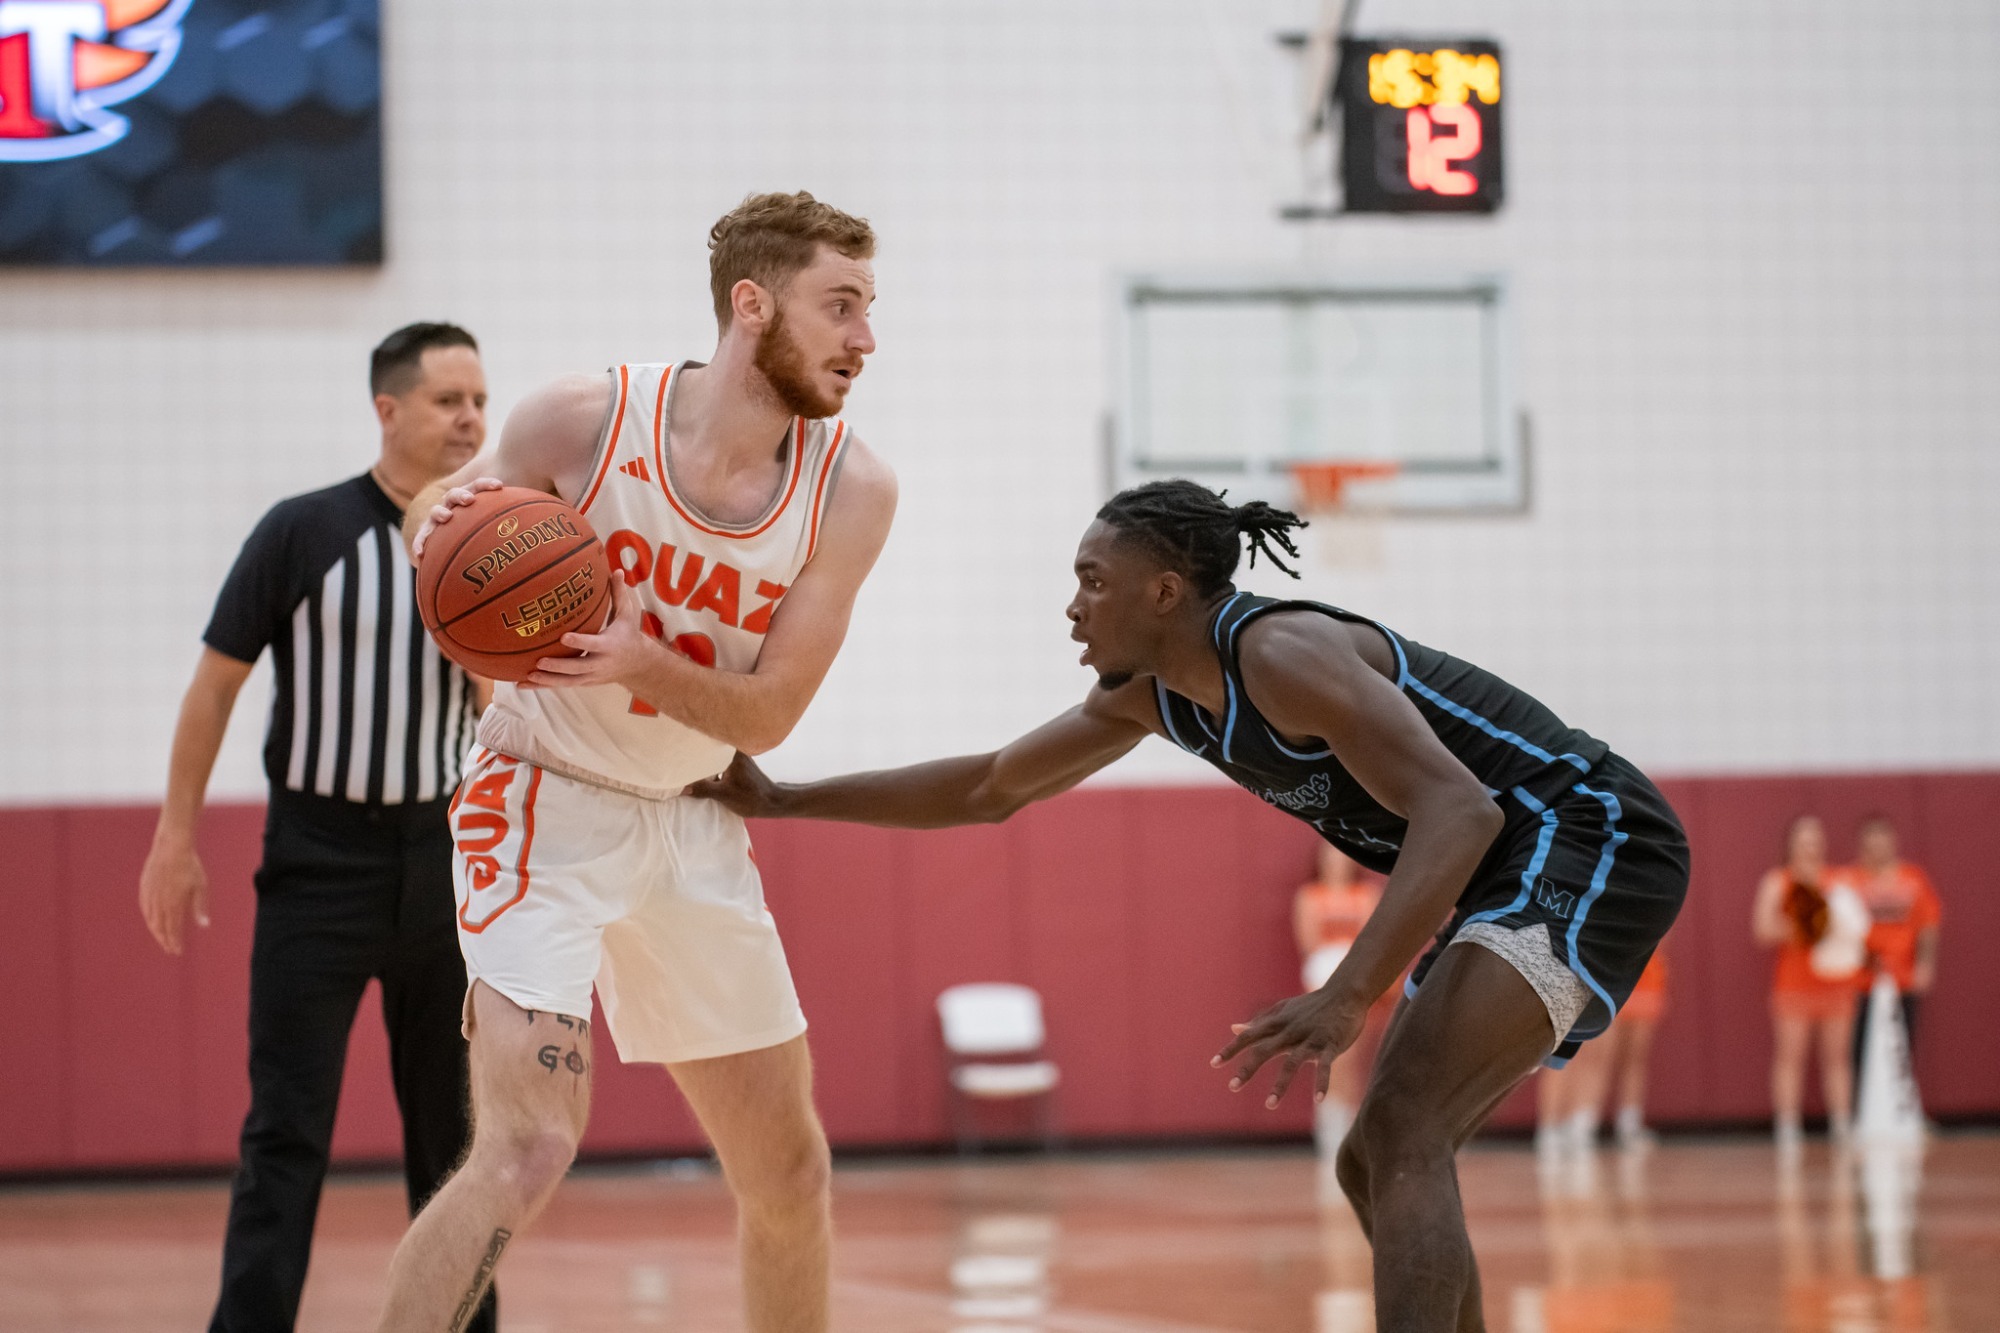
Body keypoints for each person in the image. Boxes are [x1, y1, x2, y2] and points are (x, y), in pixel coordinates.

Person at [697, 479, 1690, 1332]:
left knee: (1401, 1138)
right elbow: (988, 786)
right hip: (1500, 864)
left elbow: (1459, 811)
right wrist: (785, 799)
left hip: (1589, 831)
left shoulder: (1280, 652)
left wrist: (1346, 995)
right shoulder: (1152, 696)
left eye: (1092, 580)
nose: (1072, 607)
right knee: (1376, 1155)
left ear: (1163, 592)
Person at [374, 192, 896, 1333]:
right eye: (840, 306)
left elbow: (770, 715)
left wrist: (640, 661)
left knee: (790, 1176)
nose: (865, 338)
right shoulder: (582, 421)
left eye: (869, 308)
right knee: (527, 1148)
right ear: (749, 306)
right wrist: (436, 531)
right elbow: (444, 535)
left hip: (694, 815)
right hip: (541, 799)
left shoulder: (850, 491)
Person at [136, 323, 496, 1333]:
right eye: (447, 400)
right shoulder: (303, 530)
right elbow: (213, 687)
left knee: (457, 1145)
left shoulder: (495, 535)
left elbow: (499, 704)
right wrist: (176, 835)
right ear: (388, 410)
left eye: (479, 399)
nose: (471, 418)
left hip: (440, 868)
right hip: (317, 867)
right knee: (284, 1135)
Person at [1752, 815, 1867, 1151]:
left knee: (1838, 1057)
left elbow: (1856, 927)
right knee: (1790, 1055)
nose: (1810, 844)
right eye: (1803, 837)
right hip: (1794, 985)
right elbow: (1762, 929)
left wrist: (1835, 927)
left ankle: (1842, 1124)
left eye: (1816, 837)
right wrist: (1805, 927)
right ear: (1790, 842)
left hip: (1836, 982)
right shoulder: (1778, 881)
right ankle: (1787, 1127)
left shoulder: (1839, 880)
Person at [1293, 842, 1391, 1157]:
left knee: (1353, 1057)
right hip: (1325, 979)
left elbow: (1371, 938)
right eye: (1330, 855)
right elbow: (1309, 942)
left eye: (1341, 855)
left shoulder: (1365, 894)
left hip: (1358, 982)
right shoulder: (1310, 897)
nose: (1336, 861)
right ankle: (1332, 1126)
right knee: (1333, 1056)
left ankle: (1349, 1123)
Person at [1538, 949, 1668, 1158]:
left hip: (1641, 970)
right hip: (1592, 969)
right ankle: (1553, 1128)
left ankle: (1591, 1125)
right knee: (1572, 1054)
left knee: (1627, 1057)